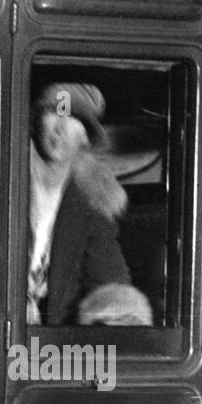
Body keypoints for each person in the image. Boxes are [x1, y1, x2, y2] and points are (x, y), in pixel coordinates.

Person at [27, 82, 132, 325]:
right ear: (35, 122)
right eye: (53, 113)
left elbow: (110, 285)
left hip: (52, 349)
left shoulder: (93, 204)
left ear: (86, 137)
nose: (61, 128)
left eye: (74, 120)